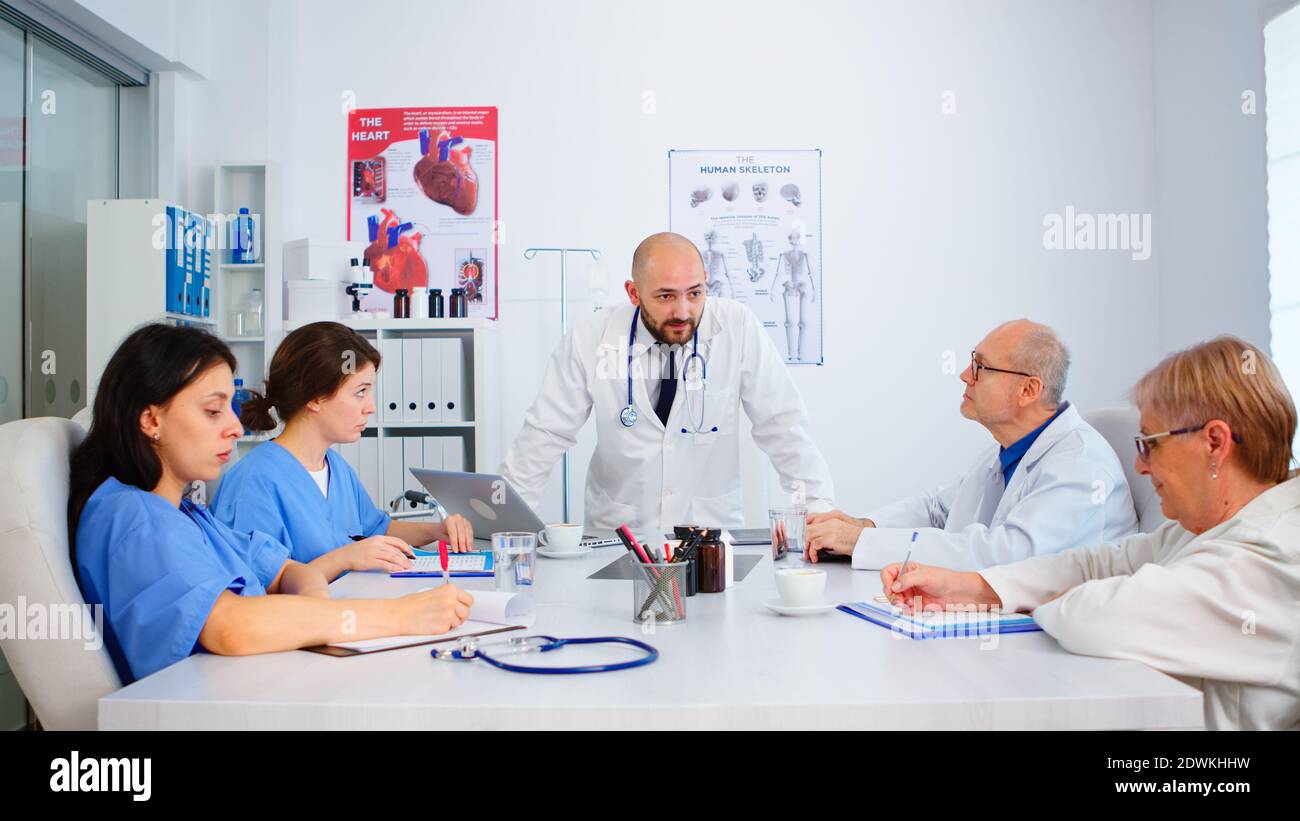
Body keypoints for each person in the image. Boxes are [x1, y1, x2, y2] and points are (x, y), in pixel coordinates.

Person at [882, 336, 1300, 730]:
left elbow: (1097, 617)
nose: (1140, 466)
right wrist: (970, 586)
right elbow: (1101, 562)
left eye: (1150, 444)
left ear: (1214, 443)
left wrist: (1061, 600)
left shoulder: (1272, 558)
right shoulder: (1207, 529)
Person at [69, 323, 473, 683]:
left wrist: (320, 619)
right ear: (151, 420)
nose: (234, 426)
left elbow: (289, 571)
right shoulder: (134, 517)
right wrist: (398, 617)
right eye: (213, 411)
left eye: (229, 407)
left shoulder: (189, 517)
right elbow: (231, 626)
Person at [501, 231, 834, 529]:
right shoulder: (591, 339)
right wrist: (496, 520)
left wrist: (818, 512)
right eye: (665, 296)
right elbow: (543, 436)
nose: (683, 311)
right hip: (619, 535)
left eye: (694, 293)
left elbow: (783, 427)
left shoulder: (737, 327)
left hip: (710, 535)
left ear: (706, 281)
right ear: (633, 292)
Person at [806, 319, 1138, 570]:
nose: (965, 374)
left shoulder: (1081, 467)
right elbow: (938, 510)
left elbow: (1003, 555)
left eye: (981, 366)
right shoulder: (1007, 452)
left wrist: (861, 542)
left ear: (1028, 390)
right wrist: (862, 526)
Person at [211, 322, 473, 581]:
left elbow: (377, 529)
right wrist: (346, 557)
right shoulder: (254, 483)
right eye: (360, 393)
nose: (370, 407)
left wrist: (436, 532)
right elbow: (253, 591)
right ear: (313, 396)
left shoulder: (336, 468)